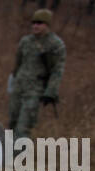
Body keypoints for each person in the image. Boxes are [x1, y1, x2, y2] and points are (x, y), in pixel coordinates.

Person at [7, 8, 66, 140]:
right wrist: (12, 80)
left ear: (47, 25)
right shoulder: (26, 41)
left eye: (40, 23)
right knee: (12, 122)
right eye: (34, 23)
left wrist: (51, 92)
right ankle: (6, 155)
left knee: (23, 127)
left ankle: (18, 159)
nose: (35, 26)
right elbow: (18, 63)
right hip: (19, 87)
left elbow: (57, 70)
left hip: (35, 90)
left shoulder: (55, 44)